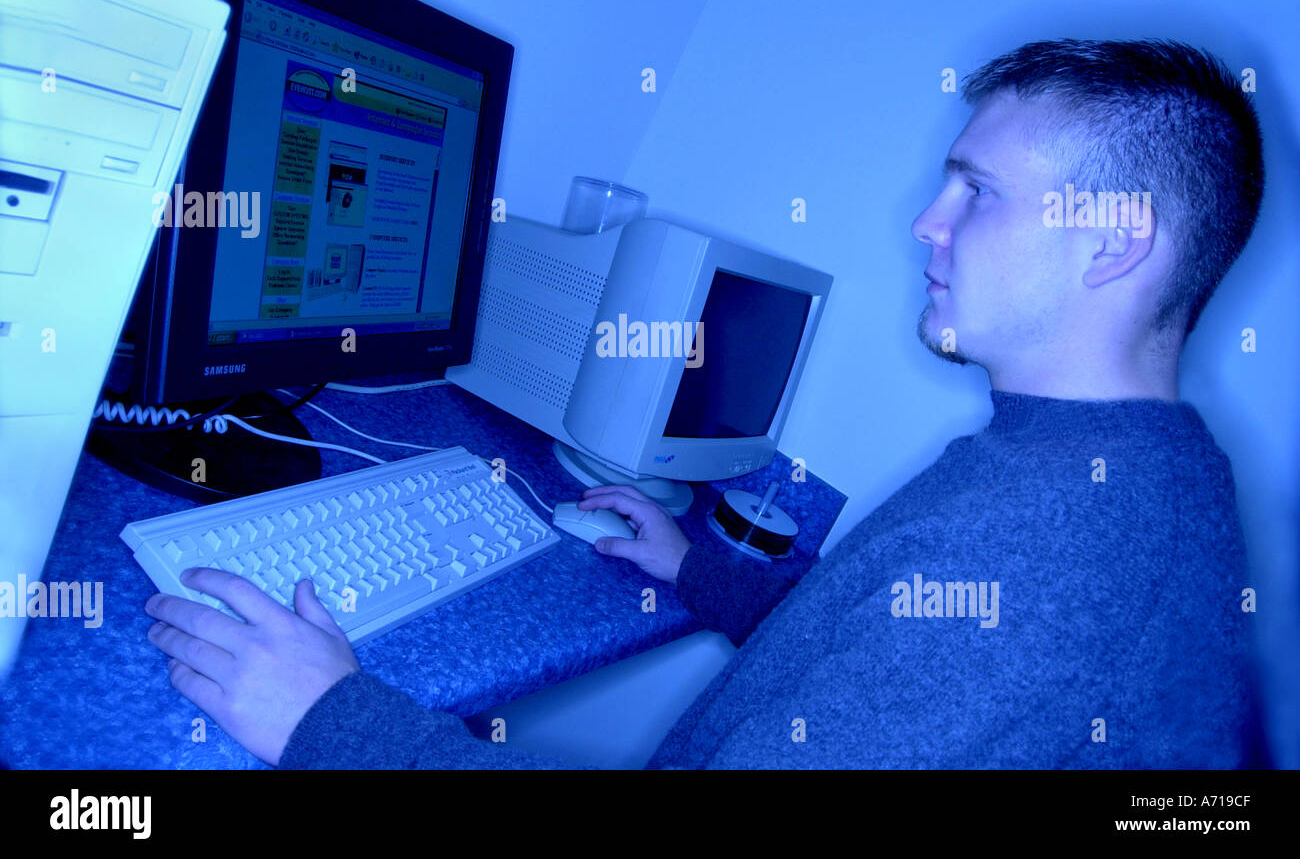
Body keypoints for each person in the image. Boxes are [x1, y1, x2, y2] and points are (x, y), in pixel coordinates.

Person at [145, 38, 1265, 768]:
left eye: (977, 192)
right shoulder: (1113, 469)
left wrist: (332, 721)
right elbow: (883, 656)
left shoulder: (1051, 542)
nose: (925, 224)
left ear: (1113, 244)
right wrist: (698, 570)